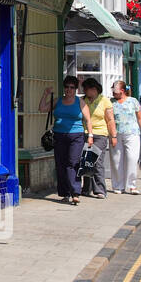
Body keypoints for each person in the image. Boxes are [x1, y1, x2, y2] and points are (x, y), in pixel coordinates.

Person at [49, 76, 91, 205]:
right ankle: (64, 193)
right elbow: (43, 108)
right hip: (59, 135)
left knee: (73, 163)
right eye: (66, 87)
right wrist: (46, 95)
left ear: (76, 89)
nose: (69, 89)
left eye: (72, 87)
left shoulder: (80, 102)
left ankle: (75, 192)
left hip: (76, 136)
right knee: (60, 165)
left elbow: (88, 120)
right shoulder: (58, 100)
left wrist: (90, 136)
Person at [109, 80, 141, 194]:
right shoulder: (110, 102)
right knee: (116, 159)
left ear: (122, 91)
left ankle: (132, 185)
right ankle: (118, 186)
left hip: (132, 133)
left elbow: (140, 118)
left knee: (132, 158)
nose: (113, 92)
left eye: (114, 90)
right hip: (115, 134)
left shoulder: (133, 101)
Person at [80, 78, 116, 197]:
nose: (84, 91)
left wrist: (113, 136)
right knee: (86, 161)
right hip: (86, 133)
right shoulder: (83, 100)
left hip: (100, 134)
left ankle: (100, 190)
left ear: (94, 89)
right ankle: (86, 188)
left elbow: (110, 120)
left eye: (86, 89)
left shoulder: (105, 101)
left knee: (96, 160)